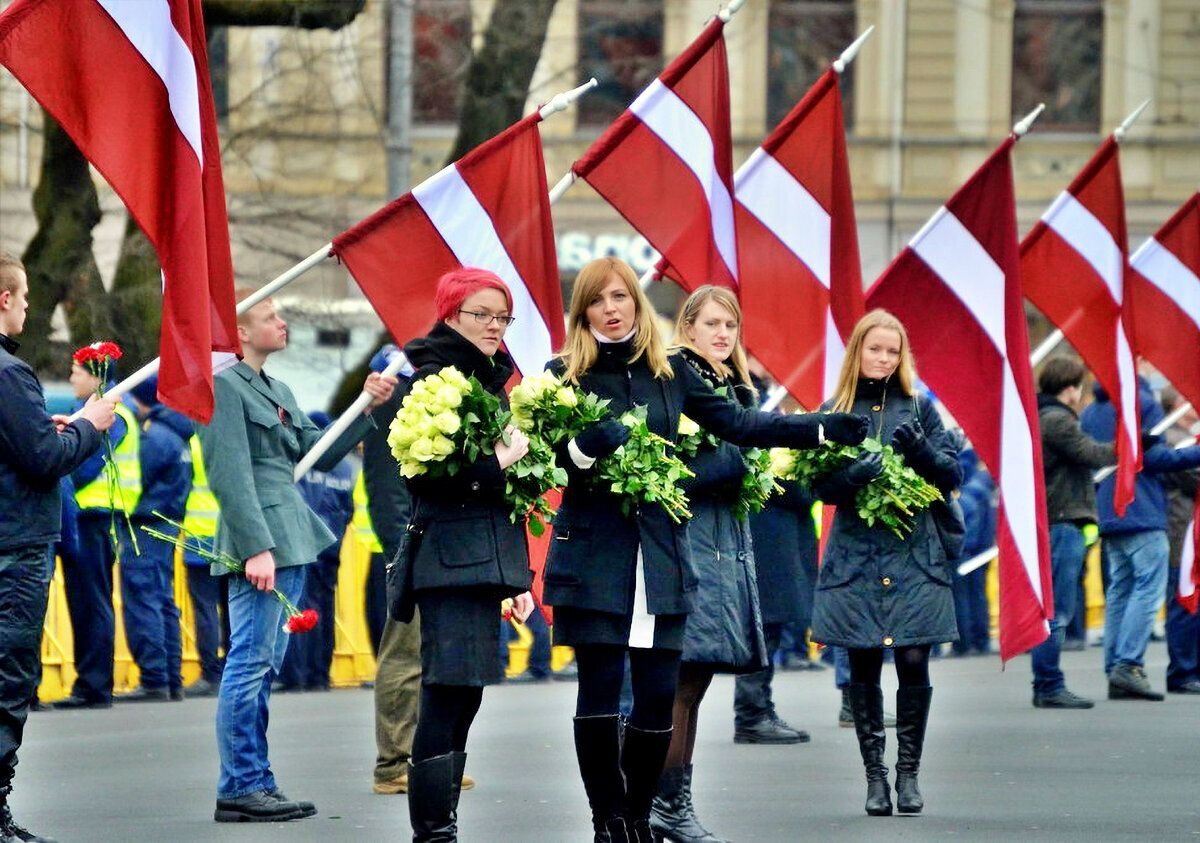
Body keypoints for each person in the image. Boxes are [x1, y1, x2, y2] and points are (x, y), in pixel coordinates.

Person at [543, 257, 867, 842]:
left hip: (662, 555)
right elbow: (554, 465)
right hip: (596, 555)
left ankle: (640, 817)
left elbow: (741, 424)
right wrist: (586, 450)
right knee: (599, 690)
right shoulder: (562, 373)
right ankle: (608, 822)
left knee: (659, 694)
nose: (611, 308)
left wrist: (821, 427)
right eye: (598, 300)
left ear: (637, 305)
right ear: (583, 311)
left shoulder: (668, 373)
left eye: (620, 297)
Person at [198, 288, 395, 823]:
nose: (282, 323)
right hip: (260, 541)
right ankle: (240, 784)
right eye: (270, 316)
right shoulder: (223, 386)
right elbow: (229, 474)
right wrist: (255, 547)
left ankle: (255, 779)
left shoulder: (273, 387)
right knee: (249, 663)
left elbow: (322, 448)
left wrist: (367, 406)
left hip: (291, 536)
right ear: (238, 332)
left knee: (264, 666)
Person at [388, 268, 536, 841]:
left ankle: (442, 824)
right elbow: (425, 482)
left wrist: (515, 577)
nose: (496, 326)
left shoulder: (488, 382)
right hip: (449, 563)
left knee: (465, 696)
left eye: (503, 317)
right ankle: (434, 832)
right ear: (451, 315)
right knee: (445, 695)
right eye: (483, 315)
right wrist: (495, 464)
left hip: (481, 563)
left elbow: (499, 499)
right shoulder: (431, 380)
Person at [809, 309, 962, 818]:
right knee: (864, 660)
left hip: (915, 554)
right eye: (875, 348)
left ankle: (909, 774)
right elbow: (817, 485)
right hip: (856, 555)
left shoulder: (920, 409)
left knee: (915, 659)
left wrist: (921, 452)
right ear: (858, 351)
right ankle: (875, 777)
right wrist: (852, 476)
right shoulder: (834, 410)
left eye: (893, 351)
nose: (884, 358)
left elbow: (950, 475)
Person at [650, 285, 777, 842]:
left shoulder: (733, 385)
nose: (723, 334)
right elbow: (664, 466)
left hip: (724, 547)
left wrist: (743, 467)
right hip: (686, 546)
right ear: (689, 327)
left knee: (693, 681)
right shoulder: (678, 375)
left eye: (731, 325)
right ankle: (664, 804)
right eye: (713, 324)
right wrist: (728, 465)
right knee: (678, 679)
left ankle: (669, 802)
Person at [0, 252, 115, 843]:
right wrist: (92, 424)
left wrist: (54, 430)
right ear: (4, 300)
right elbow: (43, 461)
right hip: (15, 547)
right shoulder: (9, 373)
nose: (27, 307)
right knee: (7, 680)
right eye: (22, 298)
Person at [1081, 375, 1200, 701]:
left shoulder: (1092, 411)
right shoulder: (1143, 403)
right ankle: (1128, 664)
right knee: (1147, 589)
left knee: (1120, 590)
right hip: (1141, 507)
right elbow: (1155, 459)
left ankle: (1115, 666)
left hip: (1109, 509)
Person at [54, 345, 140, 710]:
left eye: (76, 370)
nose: (72, 376)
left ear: (95, 376)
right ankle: (89, 682)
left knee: (92, 602)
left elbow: (85, 465)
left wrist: (54, 467)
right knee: (85, 600)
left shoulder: (112, 414)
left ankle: (94, 684)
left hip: (97, 515)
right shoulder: (90, 412)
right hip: (87, 517)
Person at [1028, 355, 1115, 708]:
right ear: (1070, 389)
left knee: (1054, 607)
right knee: (1057, 610)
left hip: (1057, 520)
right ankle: (1048, 684)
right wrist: (1131, 446)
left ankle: (1047, 682)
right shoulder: (1058, 420)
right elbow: (1092, 454)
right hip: (1062, 522)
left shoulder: (1043, 416)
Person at [116, 375, 192, 702]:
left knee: (143, 596)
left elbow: (137, 475)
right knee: (162, 599)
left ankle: (154, 678)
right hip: (167, 523)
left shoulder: (156, 436)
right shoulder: (180, 434)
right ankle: (170, 678)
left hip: (145, 523)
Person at [276, 411, 356, 693]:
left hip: (305, 542)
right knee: (323, 608)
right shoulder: (346, 468)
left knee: (299, 608)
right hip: (332, 544)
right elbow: (348, 509)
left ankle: (297, 674)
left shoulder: (306, 460)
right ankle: (320, 673)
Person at [180, 434, 227, 698]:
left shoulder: (196, 443)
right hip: (234, 535)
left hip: (202, 536)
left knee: (205, 607)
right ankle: (233, 670)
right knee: (233, 607)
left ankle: (210, 674)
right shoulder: (238, 439)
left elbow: (182, 486)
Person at [1160, 388, 1200, 695]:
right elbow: (1191, 477)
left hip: (1189, 530)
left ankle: (1190, 668)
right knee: (1184, 601)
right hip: (1181, 530)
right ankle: (1182, 671)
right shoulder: (1174, 438)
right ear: (1177, 405)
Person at [949, 437, 995, 658]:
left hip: (963, 553)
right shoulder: (983, 489)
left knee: (961, 599)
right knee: (978, 596)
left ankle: (964, 642)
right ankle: (982, 639)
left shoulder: (965, 493)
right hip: (981, 553)